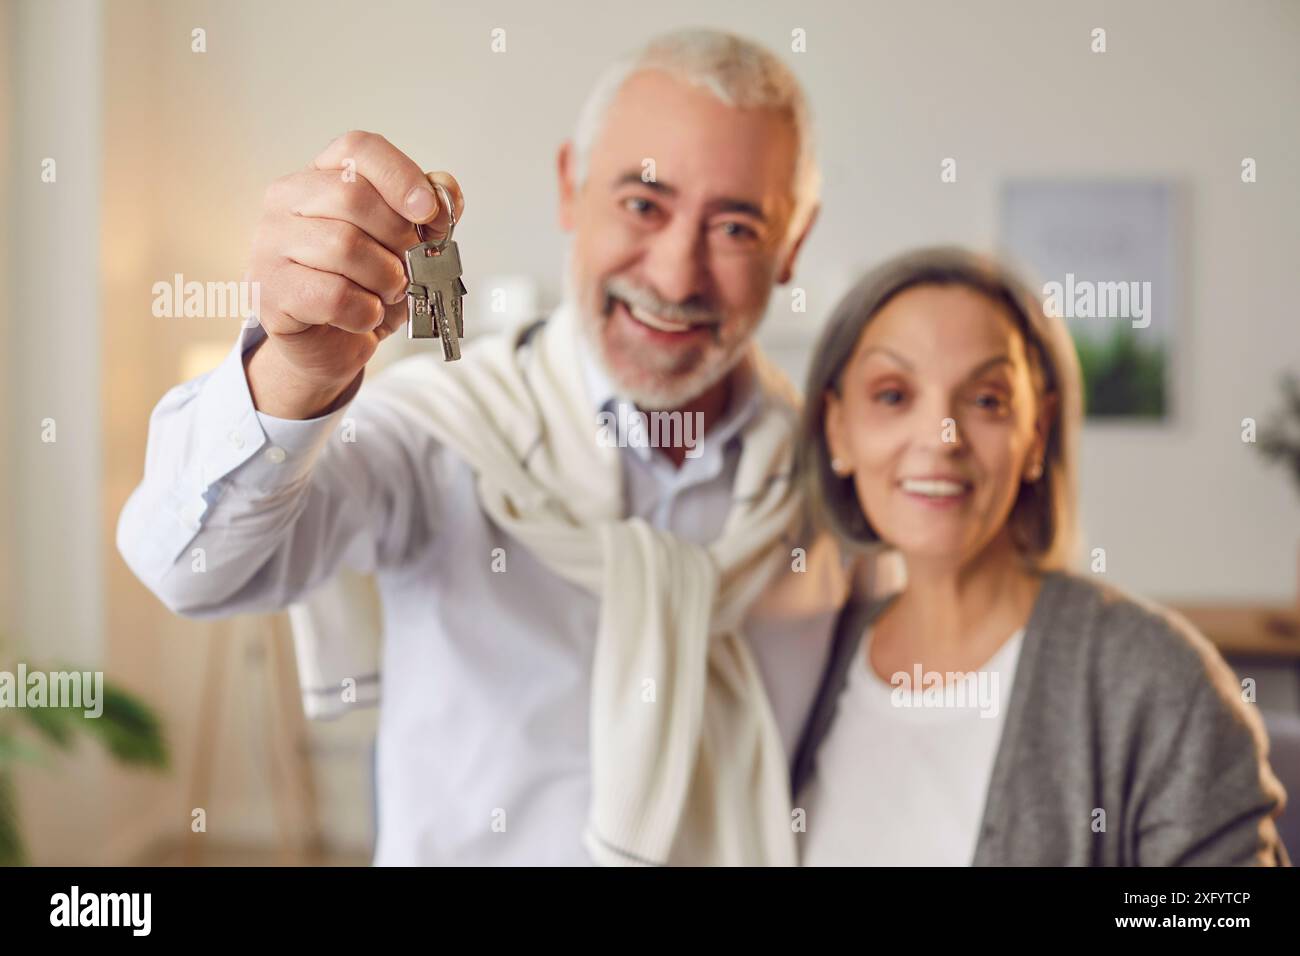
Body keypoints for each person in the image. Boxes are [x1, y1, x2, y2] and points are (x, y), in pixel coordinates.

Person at [117, 29, 852, 866]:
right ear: (571, 187)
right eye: (644, 204)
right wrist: (293, 372)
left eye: (736, 228)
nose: (678, 277)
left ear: (793, 241)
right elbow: (186, 567)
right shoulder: (443, 431)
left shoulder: (843, 481)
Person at [790, 247, 1289, 866]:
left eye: (987, 400)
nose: (940, 439)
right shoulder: (812, 661)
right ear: (837, 428)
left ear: (1038, 432)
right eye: (893, 395)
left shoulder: (1153, 677)